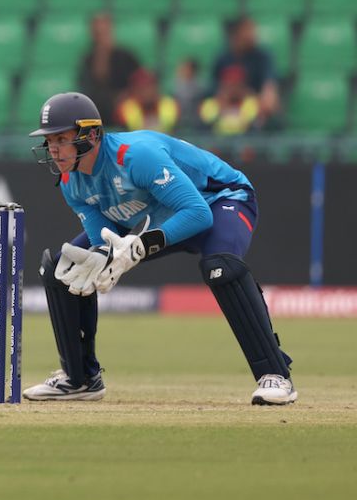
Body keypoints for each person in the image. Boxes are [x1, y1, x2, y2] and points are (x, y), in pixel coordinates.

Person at [23, 91, 296, 406]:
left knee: (221, 267)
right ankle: (80, 378)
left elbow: (198, 214)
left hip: (219, 200)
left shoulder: (135, 156)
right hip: (154, 215)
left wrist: (140, 246)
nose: (53, 149)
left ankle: (274, 375)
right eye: (49, 141)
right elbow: (102, 241)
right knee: (63, 270)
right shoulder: (71, 180)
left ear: (91, 134)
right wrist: (103, 256)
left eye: (61, 138)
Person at [210, 16, 279, 124]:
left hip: (252, 105)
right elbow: (213, 89)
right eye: (248, 30)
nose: (253, 34)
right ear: (236, 35)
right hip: (226, 106)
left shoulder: (262, 57)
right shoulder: (223, 58)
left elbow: (269, 88)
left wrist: (248, 94)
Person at [77, 12, 141, 119]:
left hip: (126, 107)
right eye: (98, 32)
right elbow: (89, 86)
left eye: (105, 31)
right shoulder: (88, 59)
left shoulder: (125, 56)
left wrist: (126, 95)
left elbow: (139, 80)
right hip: (99, 109)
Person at [199, 64, 262, 135]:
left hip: (244, 141)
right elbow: (207, 124)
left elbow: (250, 125)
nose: (233, 89)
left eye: (236, 85)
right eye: (229, 85)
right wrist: (223, 103)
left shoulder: (250, 102)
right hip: (216, 142)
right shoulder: (210, 103)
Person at [115, 67, 179, 132]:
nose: (146, 92)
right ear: (134, 90)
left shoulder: (168, 104)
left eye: (149, 86)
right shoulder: (126, 108)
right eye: (141, 88)